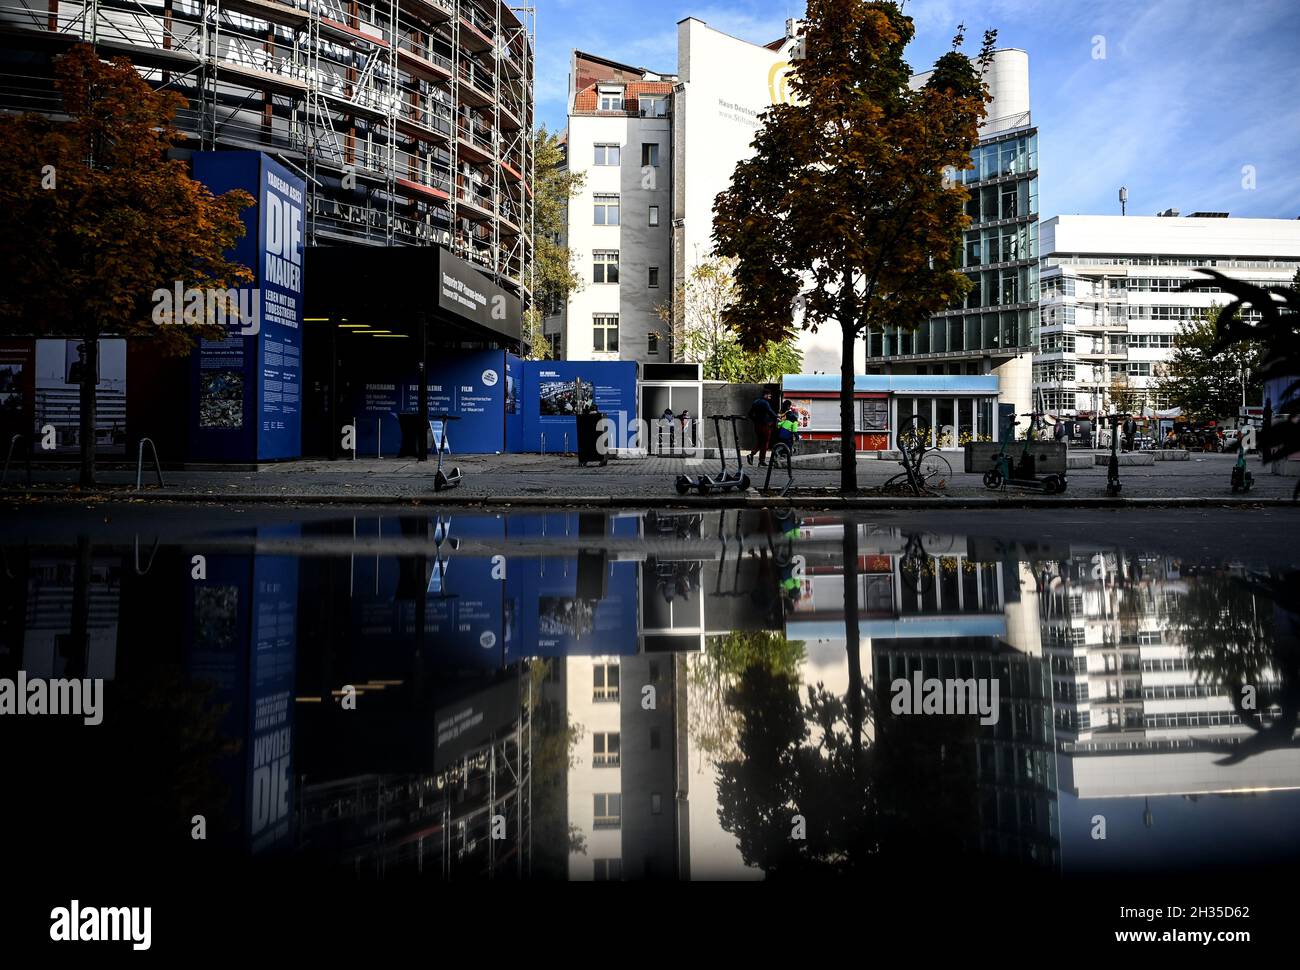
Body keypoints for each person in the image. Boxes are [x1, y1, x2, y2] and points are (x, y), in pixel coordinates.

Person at [746, 388, 778, 466]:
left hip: (757, 426)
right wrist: (777, 417)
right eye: (769, 396)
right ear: (765, 395)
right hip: (765, 425)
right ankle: (759, 459)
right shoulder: (765, 403)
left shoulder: (756, 402)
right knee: (765, 443)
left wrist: (755, 420)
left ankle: (758, 459)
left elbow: (750, 414)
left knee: (760, 441)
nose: (770, 397)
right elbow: (770, 412)